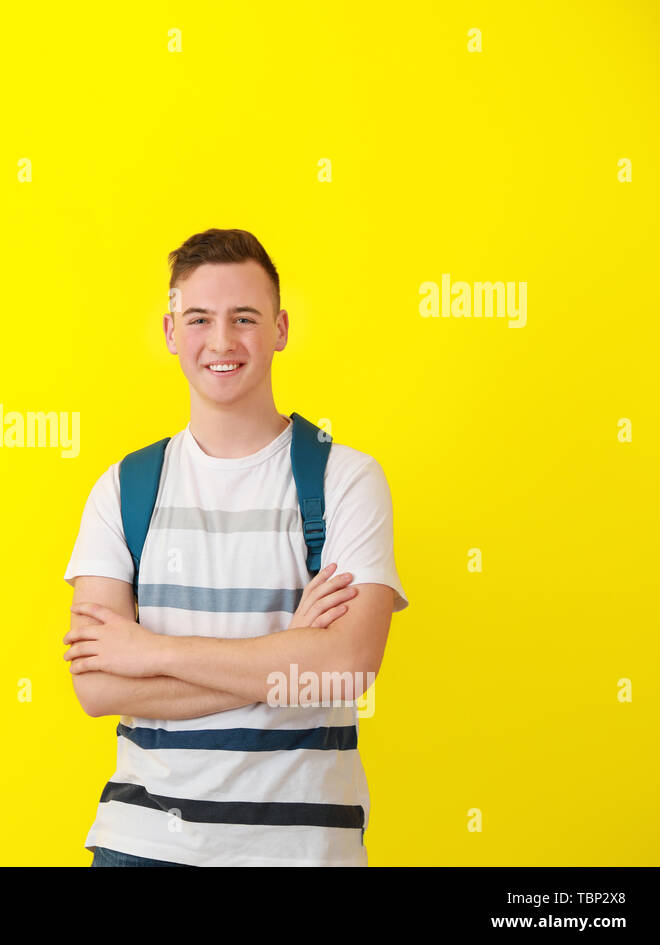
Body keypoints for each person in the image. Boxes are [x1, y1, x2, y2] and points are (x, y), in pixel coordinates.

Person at [63, 228, 409, 866]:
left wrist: (154, 652)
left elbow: (349, 669)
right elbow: (100, 687)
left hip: (304, 852)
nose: (221, 341)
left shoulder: (346, 480)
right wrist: (291, 659)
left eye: (243, 318)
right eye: (199, 318)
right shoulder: (123, 488)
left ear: (279, 329)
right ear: (171, 333)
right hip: (140, 846)